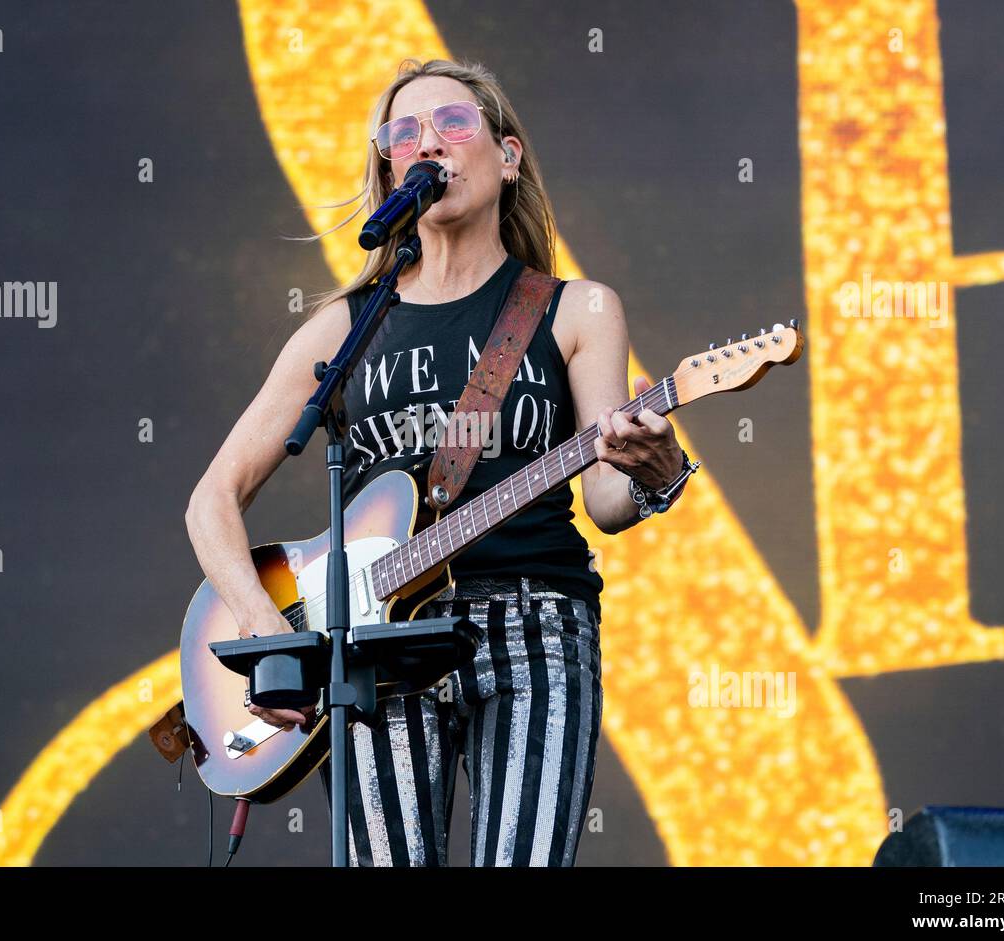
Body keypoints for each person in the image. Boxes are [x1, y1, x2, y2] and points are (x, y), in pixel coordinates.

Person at [184, 57, 687, 866]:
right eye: (404, 135)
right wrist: (266, 627)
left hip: (535, 628)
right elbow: (212, 500)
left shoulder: (575, 309)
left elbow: (606, 502)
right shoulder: (341, 331)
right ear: (388, 169)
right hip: (375, 649)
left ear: (507, 154)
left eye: (453, 126)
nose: (429, 146)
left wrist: (657, 472)